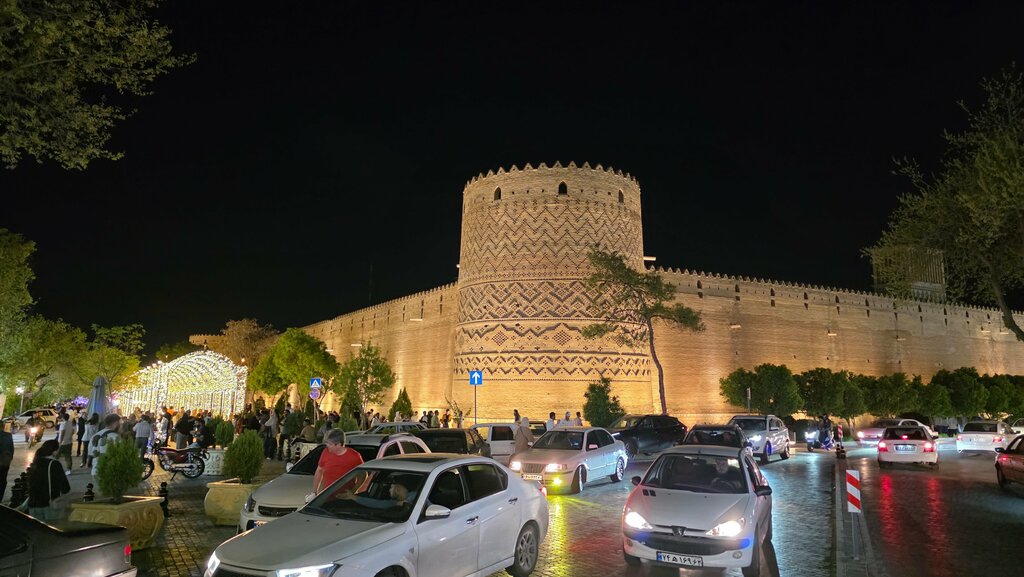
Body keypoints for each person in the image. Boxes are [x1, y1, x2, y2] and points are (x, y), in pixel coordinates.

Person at [27, 440, 71, 521]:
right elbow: (65, 487)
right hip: (49, 505)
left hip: (33, 505)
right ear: (55, 451)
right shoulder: (54, 464)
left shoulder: (35, 463)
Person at [313, 429, 364, 494]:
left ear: (339, 445)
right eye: (327, 443)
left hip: (344, 498)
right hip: (327, 497)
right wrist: (314, 492)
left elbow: (363, 475)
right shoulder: (325, 452)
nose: (327, 445)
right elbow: (319, 471)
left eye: (330, 444)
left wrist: (353, 491)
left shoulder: (354, 456)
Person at [90, 414, 123, 478]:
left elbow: (91, 453)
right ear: (116, 423)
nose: (120, 425)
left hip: (95, 471)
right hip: (109, 472)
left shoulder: (95, 435)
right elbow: (120, 454)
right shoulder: (115, 437)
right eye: (120, 423)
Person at [0, 423, 13, 503]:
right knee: (1, 482)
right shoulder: (7, 436)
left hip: (3, 463)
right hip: (3, 464)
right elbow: (10, 450)